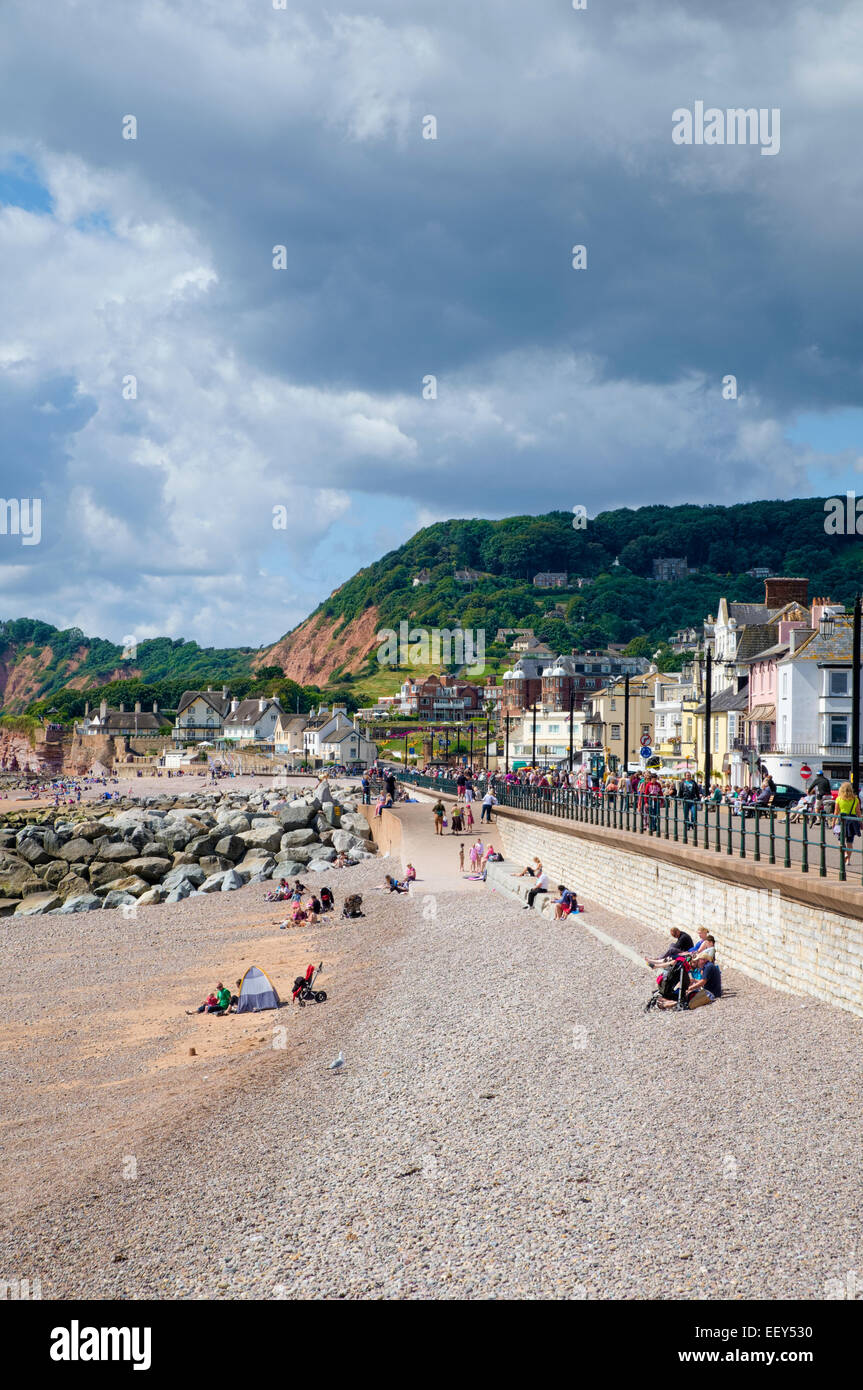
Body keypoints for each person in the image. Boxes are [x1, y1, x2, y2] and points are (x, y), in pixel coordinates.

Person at [833, 781, 861, 866]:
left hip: (842, 820)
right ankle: (848, 860)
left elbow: (836, 812)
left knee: (840, 839)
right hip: (852, 820)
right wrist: (860, 821)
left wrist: (833, 822)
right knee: (850, 841)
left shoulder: (839, 799)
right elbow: (858, 812)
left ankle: (844, 852)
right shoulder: (855, 799)